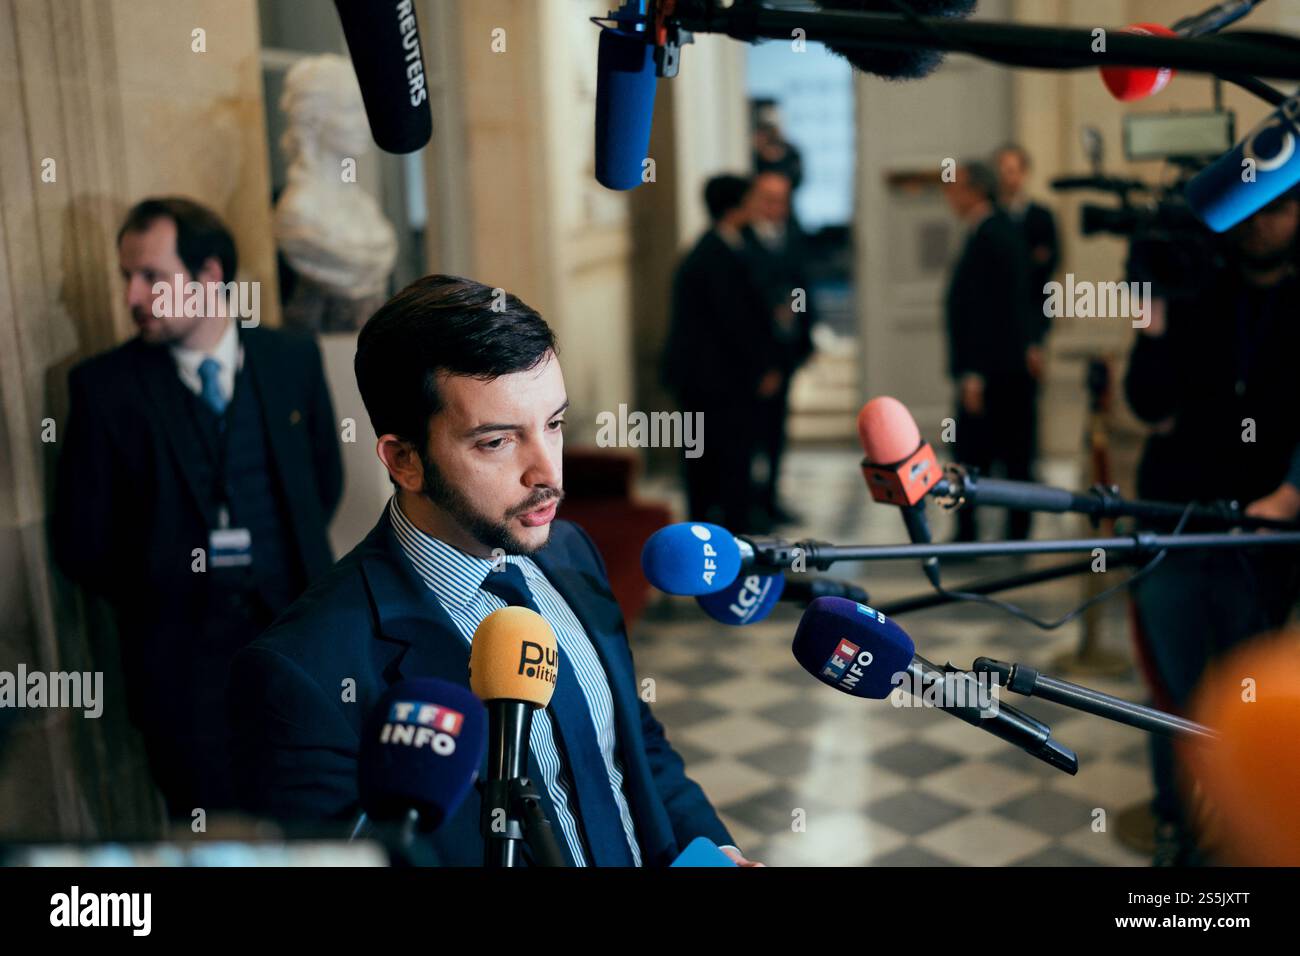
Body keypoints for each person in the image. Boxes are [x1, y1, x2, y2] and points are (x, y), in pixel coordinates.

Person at [231, 274, 760, 867]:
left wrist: (715, 848)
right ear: (404, 459)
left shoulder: (569, 551)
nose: (547, 473)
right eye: (497, 442)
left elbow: (632, 741)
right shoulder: (306, 675)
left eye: (554, 425)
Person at [52, 197, 343, 817]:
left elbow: (322, 483)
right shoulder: (104, 389)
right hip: (182, 677)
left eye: (152, 277)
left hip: (300, 647)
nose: (132, 296)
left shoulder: (290, 359)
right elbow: (82, 544)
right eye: (126, 276)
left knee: (318, 820)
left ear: (210, 276)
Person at [1124, 187, 1300, 864]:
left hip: (1263, 533)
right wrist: (1150, 308)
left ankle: (1244, 828)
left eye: (1279, 210)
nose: (1259, 226)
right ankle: (1180, 825)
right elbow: (1149, 402)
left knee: (1244, 688)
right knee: (1172, 689)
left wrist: (1288, 497)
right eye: (1249, 210)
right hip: (1172, 515)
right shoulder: (1194, 280)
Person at [663, 174, 778, 532]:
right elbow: (733, 323)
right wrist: (763, 366)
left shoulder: (728, 245)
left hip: (718, 380)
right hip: (713, 383)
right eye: (751, 200)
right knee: (715, 462)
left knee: (722, 459)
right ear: (735, 207)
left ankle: (726, 530)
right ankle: (722, 537)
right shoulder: (713, 254)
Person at [942, 161, 1038, 541]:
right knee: (988, 453)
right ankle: (990, 530)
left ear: (975, 191)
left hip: (994, 370)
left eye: (955, 187)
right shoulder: (989, 230)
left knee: (984, 453)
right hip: (998, 366)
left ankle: (991, 532)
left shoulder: (994, 235)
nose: (949, 196)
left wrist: (974, 373)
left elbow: (992, 312)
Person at [744, 169, 817, 526]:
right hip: (752, 359)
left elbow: (804, 287)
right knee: (749, 435)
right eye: (768, 199)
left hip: (784, 353)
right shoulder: (743, 240)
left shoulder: (794, 236)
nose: (776, 207)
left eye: (781, 200)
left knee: (775, 433)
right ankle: (749, 500)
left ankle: (771, 496)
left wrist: (804, 333)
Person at [993, 143, 1059, 381]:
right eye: (1002, 171)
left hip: (1033, 314)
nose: (1007, 178)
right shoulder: (991, 218)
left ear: (1024, 173)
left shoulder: (1041, 217)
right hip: (997, 323)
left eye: (1011, 171)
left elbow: (1047, 265)